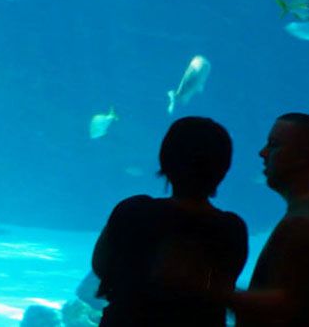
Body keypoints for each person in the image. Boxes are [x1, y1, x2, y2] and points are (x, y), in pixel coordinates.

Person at [92, 116, 248, 327]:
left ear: (165, 160)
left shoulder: (132, 211)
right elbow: (222, 285)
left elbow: (101, 265)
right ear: (223, 168)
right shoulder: (230, 228)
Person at [225, 112, 309, 327]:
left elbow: (281, 306)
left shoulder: (304, 224)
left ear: (302, 156)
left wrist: (204, 287)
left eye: (274, 144)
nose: (263, 152)